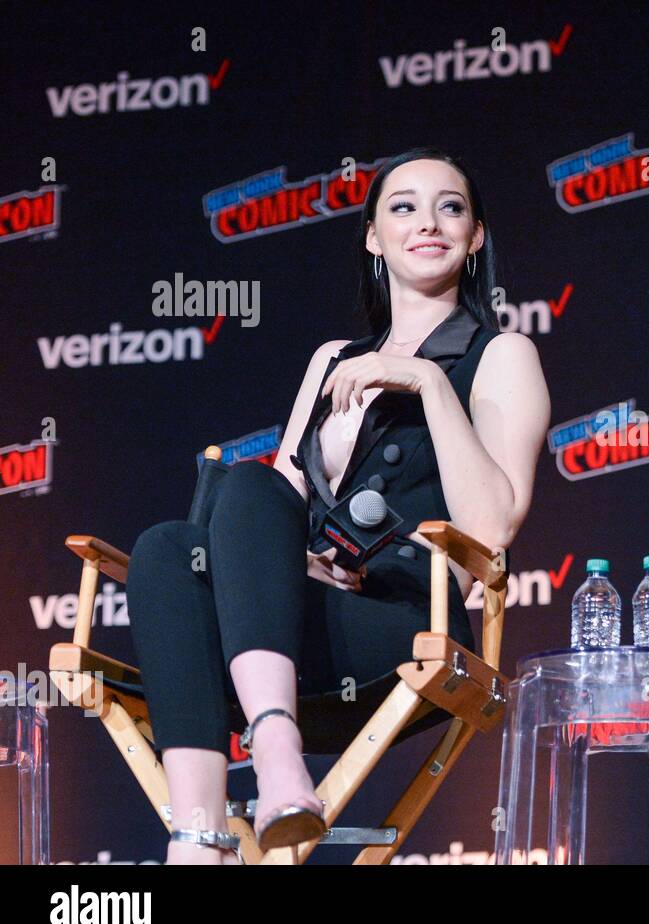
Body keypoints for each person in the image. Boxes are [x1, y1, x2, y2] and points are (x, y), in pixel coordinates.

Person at [127, 147, 551, 864]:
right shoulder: (331, 359)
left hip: (404, 630)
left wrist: (425, 380)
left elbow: (492, 530)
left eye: (451, 207)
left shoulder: (502, 354)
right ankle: (202, 835)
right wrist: (301, 564)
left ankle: (273, 749)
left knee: (234, 508)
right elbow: (278, 505)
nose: (428, 223)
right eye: (403, 207)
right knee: (174, 540)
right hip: (290, 622)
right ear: (372, 236)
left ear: (476, 236)